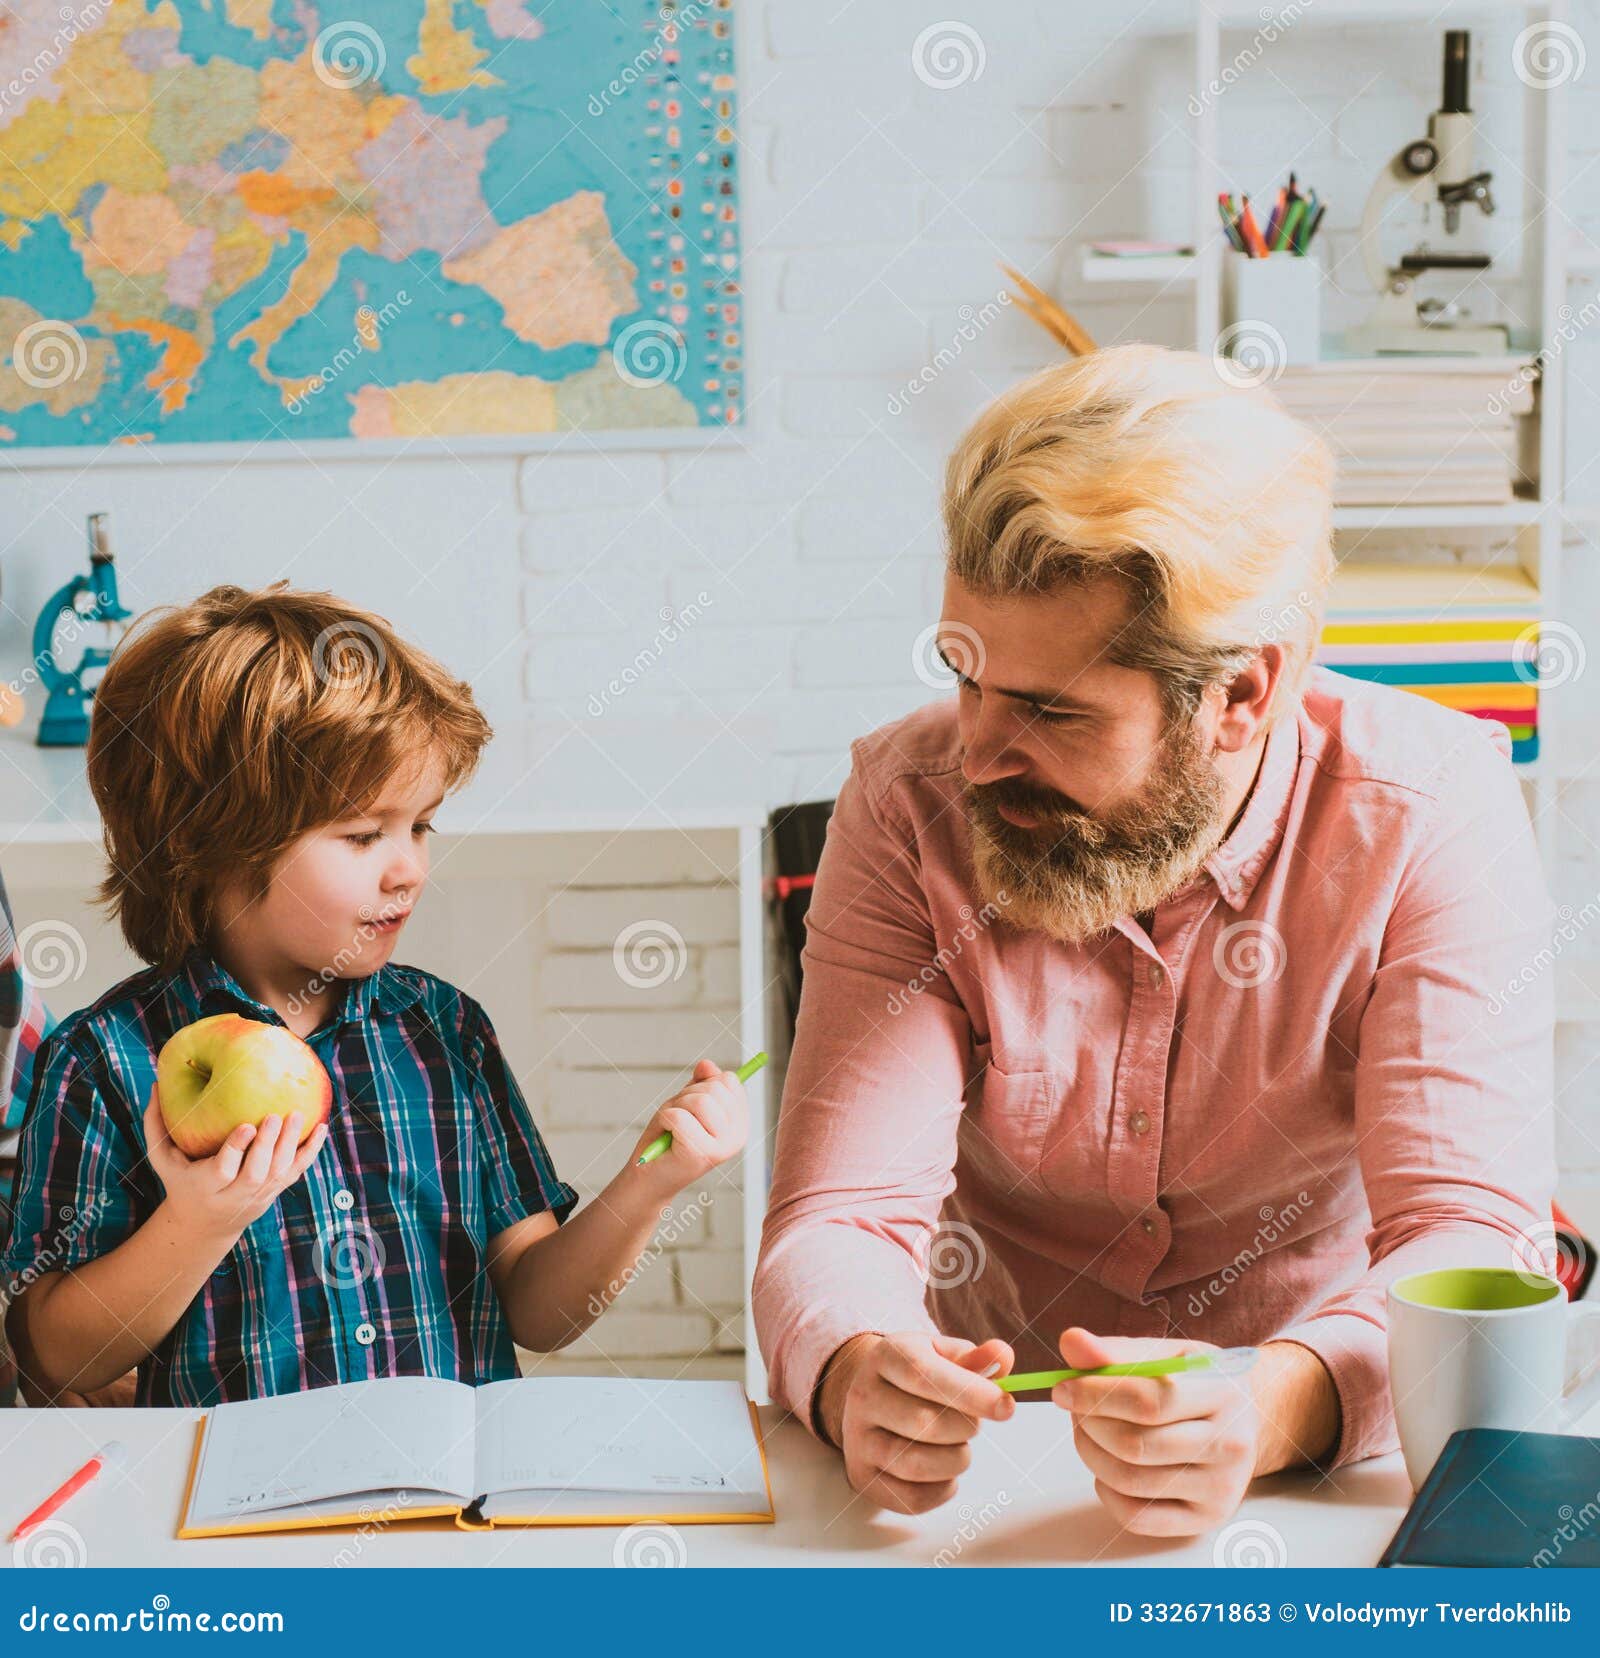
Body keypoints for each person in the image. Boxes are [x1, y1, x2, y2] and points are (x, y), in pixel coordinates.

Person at [753, 343, 1556, 1537]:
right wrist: (856, 1363)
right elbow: (841, 1215)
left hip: (1327, 1487)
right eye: (968, 677)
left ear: (1239, 695)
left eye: (1049, 710)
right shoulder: (904, 799)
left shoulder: (1433, 808)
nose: (976, 753)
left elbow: (1462, 1238)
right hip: (992, 1485)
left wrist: (1274, 1405)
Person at [0, 584, 748, 1405]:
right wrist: (200, 1221)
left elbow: (539, 1312)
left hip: (455, 1517)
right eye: (363, 836)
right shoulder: (105, 1060)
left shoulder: (445, 1032)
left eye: (420, 827)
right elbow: (57, 1359)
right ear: (211, 842)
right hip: (237, 1522)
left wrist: (651, 1184)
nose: (411, 869)